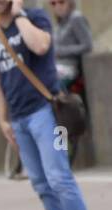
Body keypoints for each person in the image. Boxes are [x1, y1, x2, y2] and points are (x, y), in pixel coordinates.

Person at [0, 0, 95, 210]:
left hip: (48, 113)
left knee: (60, 176)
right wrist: (2, 119)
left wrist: (19, 14)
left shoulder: (36, 17)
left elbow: (41, 45)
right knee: (41, 184)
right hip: (20, 120)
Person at [52, 0, 93, 159]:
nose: (57, 6)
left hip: (69, 69)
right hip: (56, 67)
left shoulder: (76, 18)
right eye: (53, 3)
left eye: (60, 2)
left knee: (59, 108)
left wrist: (60, 51)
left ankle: (62, 148)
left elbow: (87, 45)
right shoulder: (59, 24)